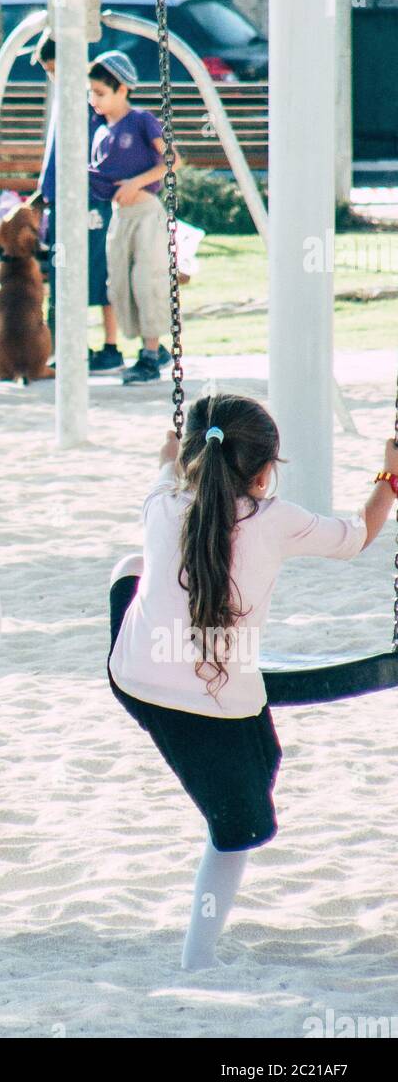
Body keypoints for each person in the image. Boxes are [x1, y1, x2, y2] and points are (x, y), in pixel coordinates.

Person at [107, 393, 398, 970]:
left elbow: (168, 465)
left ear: (192, 455)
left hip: (135, 674)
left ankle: (202, 945)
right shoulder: (276, 520)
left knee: (130, 574)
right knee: (240, 829)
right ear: (266, 472)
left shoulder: (162, 499)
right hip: (207, 699)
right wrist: (389, 478)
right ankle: (199, 955)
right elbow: (358, 535)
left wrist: (171, 455)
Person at [32, 32, 121, 371]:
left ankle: (110, 345)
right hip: (62, 201)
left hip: (91, 198)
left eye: (54, 69)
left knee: (99, 271)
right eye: (48, 71)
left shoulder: (90, 99)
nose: (53, 76)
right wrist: (45, 191)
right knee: (62, 272)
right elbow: (55, 152)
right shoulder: (66, 98)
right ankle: (66, 346)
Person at [88, 50, 174, 385]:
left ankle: (150, 356)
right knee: (120, 285)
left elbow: (172, 159)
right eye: (91, 93)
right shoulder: (99, 129)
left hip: (145, 213)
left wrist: (137, 182)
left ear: (122, 89)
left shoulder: (141, 120)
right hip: (118, 216)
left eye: (100, 93)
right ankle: (152, 347)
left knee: (146, 280)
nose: (94, 100)